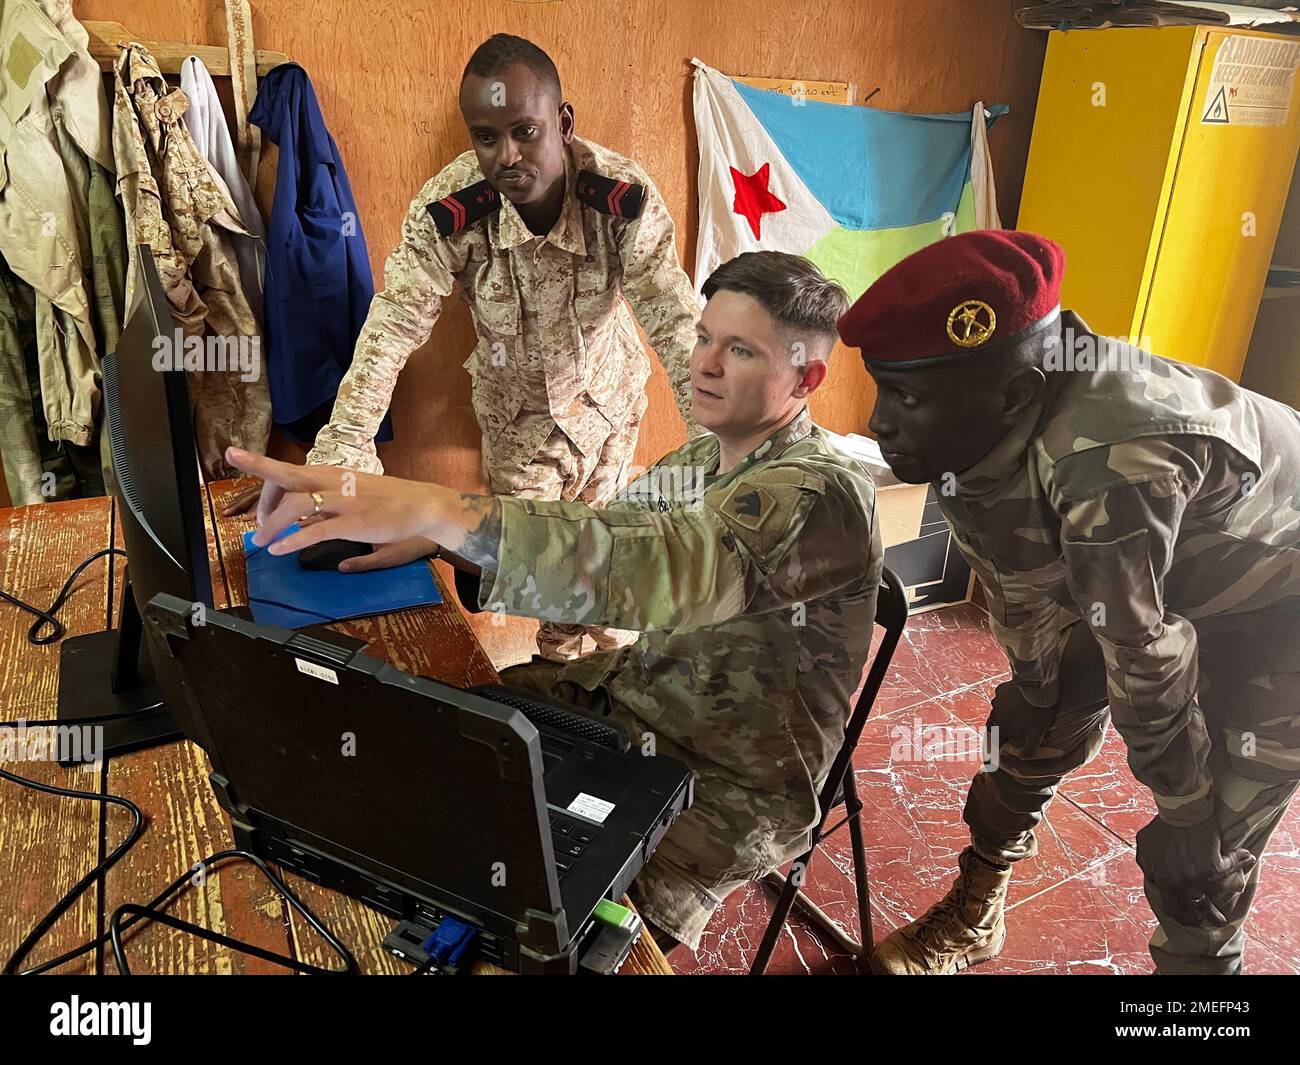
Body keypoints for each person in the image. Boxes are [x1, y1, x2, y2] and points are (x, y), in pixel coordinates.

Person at [227, 251, 883, 953]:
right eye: (704, 338)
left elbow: (658, 568)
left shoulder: (819, 494)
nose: (708, 364)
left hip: (722, 783)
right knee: (434, 740)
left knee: (541, 919)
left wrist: (435, 506)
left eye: (742, 349)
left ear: (807, 377)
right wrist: (435, 540)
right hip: (631, 704)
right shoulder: (702, 458)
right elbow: (598, 550)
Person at [838, 228, 1300, 975]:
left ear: (1016, 394)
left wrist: (1181, 811)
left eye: (907, 395)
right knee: (1023, 740)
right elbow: (1022, 573)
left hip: (1281, 603)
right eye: (884, 387)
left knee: (1202, 864)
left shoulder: (1107, 463)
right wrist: (1037, 684)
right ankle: (974, 915)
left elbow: (1145, 651)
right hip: (1158, 574)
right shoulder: (979, 423)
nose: (877, 420)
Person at [228, 33, 702, 662]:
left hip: (607, 413)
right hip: (518, 427)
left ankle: (624, 682)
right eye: (486, 136)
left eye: (525, 132)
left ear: (562, 123)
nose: (507, 155)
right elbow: (393, 325)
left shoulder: (619, 199)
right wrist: (343, 445)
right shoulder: (450, 209)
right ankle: (562, 683)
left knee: (614, 579)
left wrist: (719, 446)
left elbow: (675, 321)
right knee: (544, 583)